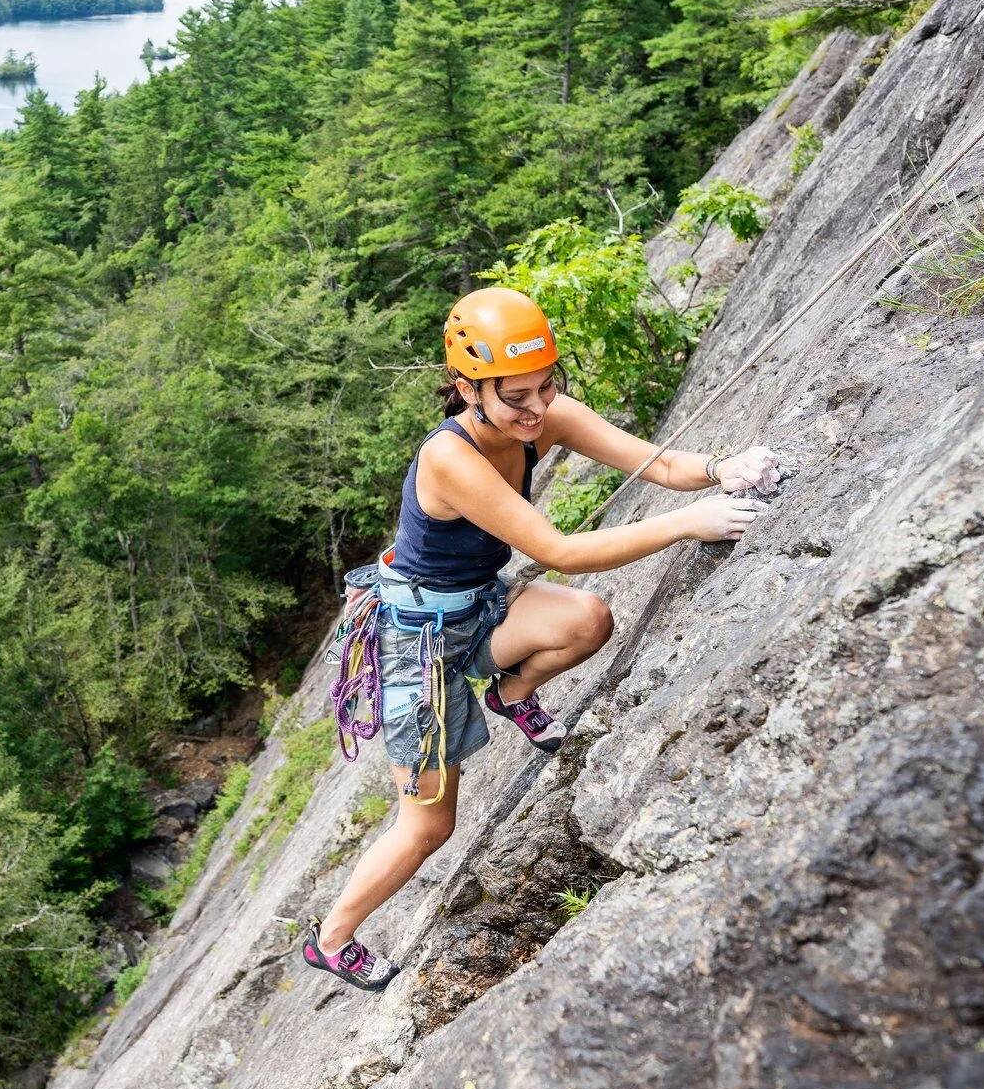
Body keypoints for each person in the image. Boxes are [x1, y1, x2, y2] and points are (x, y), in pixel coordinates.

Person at [302, 287, 779, 992]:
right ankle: (331, 939)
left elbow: (658, 464)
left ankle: (511, 691)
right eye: (516, 395)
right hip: (417, 649)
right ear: (468, 388)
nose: (536, 408)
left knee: (587, 620)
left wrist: (720, 468)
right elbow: (559, 550)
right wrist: (687, 522)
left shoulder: (544, 417)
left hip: (476, 609)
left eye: (546, 385)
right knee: (429, 827)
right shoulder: (450, 458)